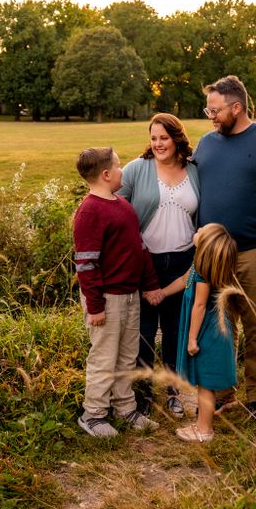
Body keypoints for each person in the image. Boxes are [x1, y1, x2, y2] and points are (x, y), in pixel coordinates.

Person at [192, 75, 256, 419]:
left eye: (215, 110)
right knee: (219, 328)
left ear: (237, 107)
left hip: (253, 252)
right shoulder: (206, 143)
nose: (210, 116)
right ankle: (224, 392)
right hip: (213, 255)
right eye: (208, 109)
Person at [72, 147, 160, 437]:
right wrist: (95, 306)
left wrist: (150, 284)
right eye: (119, 167)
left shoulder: (122, 205)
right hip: (106, 299)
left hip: (130, 294)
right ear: (106, 174)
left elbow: (140, 248)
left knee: (126, 356)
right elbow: (86, 264)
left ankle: (125, 408)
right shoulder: (89, 211)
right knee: (104, 358)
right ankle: (94, 414)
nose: (123, 171)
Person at [118, 113, 199, 418]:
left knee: (177, 332)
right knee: (143, 333)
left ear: (177, 138)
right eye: (153, 138)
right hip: (144, 262)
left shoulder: (194, 171)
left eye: (164, 137)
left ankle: (176, 393)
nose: (158, 144)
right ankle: (142, 397)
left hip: (182, 261)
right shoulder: (137, 169)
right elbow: (114, 205)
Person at [175, 223, 240, 443]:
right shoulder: (199, 266)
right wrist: (160, 293)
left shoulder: (203, 275)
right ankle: (202, 424)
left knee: (206, 384)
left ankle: (204, 430)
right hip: (210, 331)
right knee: (205, 384)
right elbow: (184, 282)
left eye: (201, 231)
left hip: (207, 333)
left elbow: (199, 307)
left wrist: (192, 338)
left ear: (205, 245)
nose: (197, 230)